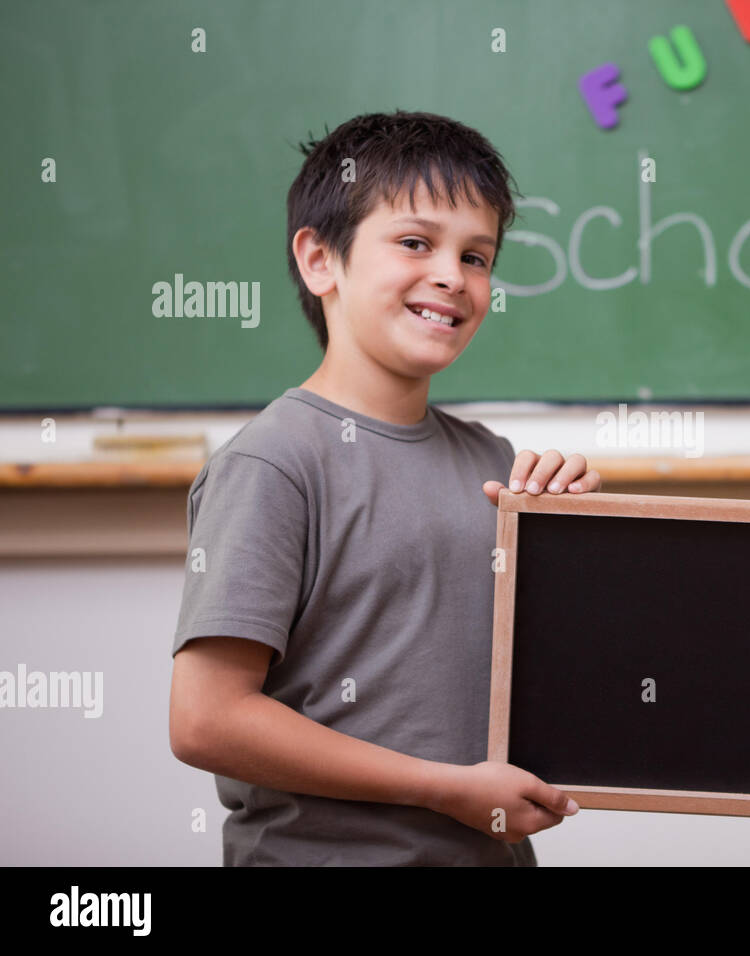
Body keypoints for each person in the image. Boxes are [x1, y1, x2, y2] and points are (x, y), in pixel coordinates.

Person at [169, 111, 598, 865]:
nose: (451, 277)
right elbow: (208, 720)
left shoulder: (497, 465)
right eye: (414, 243)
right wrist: (441, 787)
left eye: (477, 256)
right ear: (319, 260)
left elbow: (551, 684)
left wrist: (586, 545)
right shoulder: (273, 464)